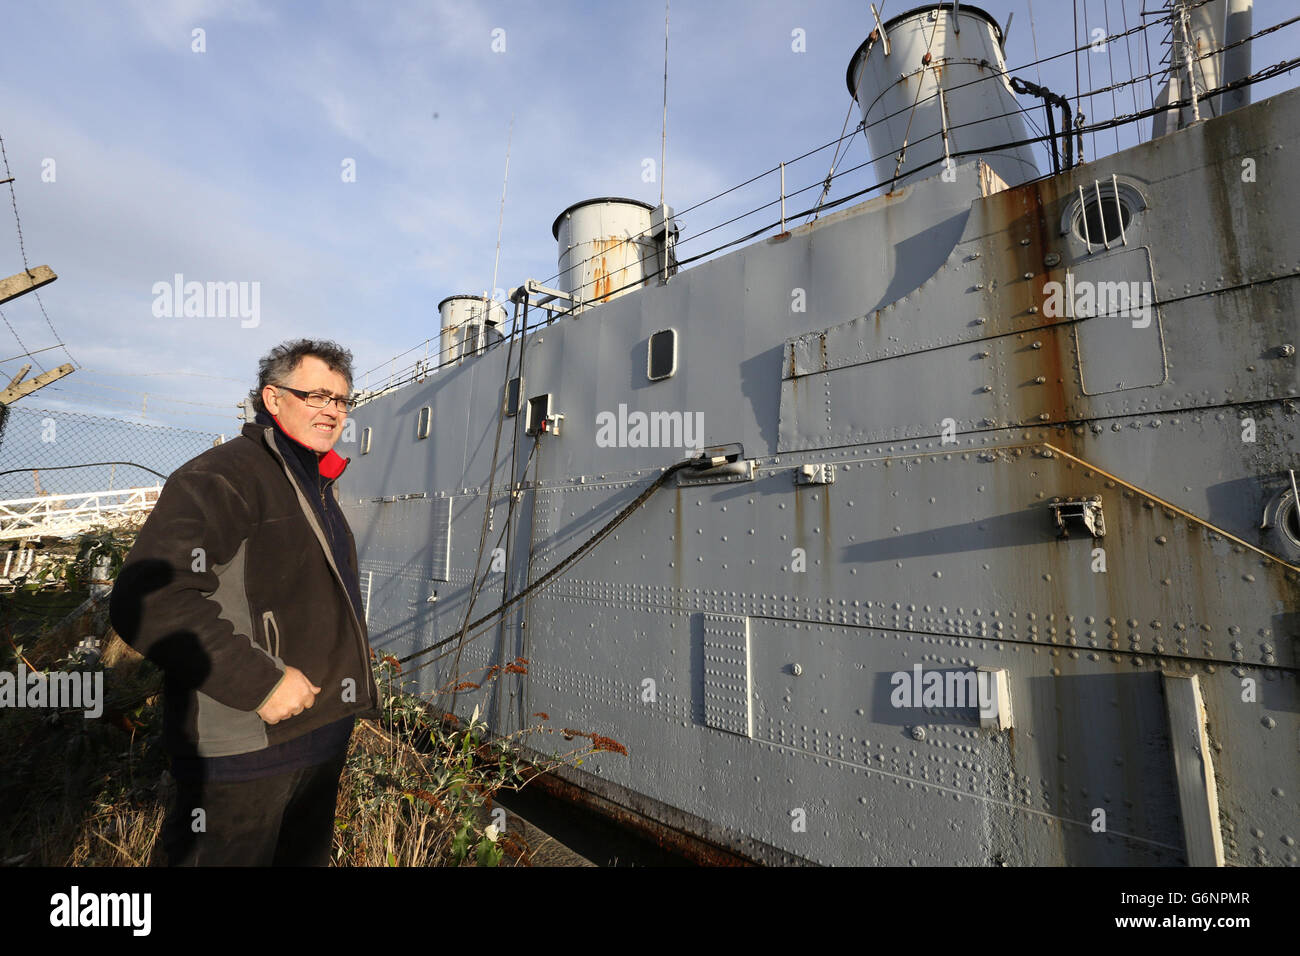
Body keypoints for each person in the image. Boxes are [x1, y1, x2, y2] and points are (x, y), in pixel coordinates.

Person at [110, 339, 379, 866]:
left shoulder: (314, 482)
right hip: (246, 745)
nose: (332, 410)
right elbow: (150, 599)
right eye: (316, 395)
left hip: (317, 735)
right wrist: (261, 682)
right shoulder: (225, 475)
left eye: (342, 400)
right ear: (273, 399)